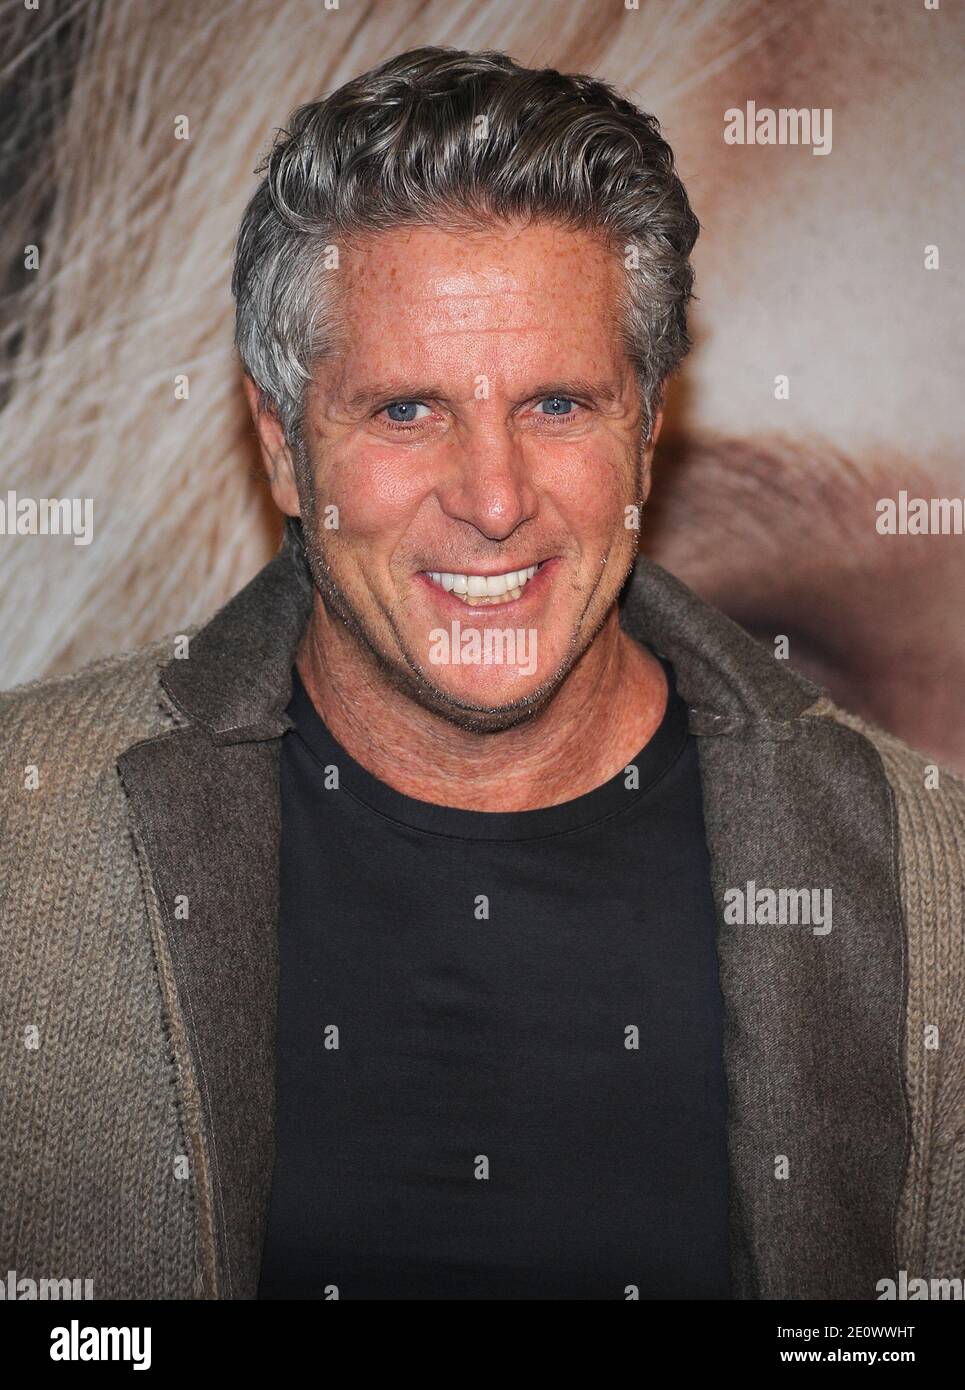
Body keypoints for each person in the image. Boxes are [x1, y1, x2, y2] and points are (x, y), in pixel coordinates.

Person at [1, 46, 962, 1302]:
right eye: (405, 411)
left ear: (646, 438)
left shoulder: (929, 880)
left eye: (559, 404)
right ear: (281, 448)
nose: (495, 499)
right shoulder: (26, 848)